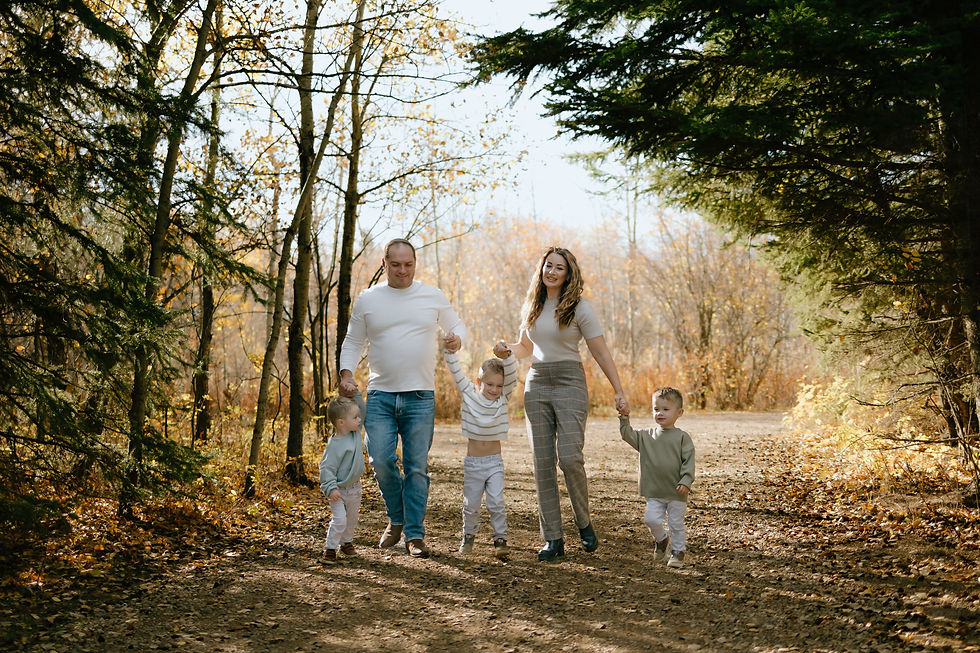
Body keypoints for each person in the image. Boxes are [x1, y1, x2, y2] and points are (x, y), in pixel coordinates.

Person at [496, 246, 629, 562]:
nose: (552, 272)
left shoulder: (580, 308)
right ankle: (553, 538)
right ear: (541, 270)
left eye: (559, 268)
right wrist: (507, 349)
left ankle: (583, 521)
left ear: (568, 274)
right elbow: (526, 347)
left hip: (570, 381)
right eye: (548, 266)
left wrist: (619, 390)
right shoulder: (533, 305)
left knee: (569, 457)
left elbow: (600, 351)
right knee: (542, 463)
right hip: (537, 383)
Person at [338, 238, 466, 558]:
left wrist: (456, 339)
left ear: (415, 263)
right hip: (380, 395)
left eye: (408, 264)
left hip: (420, 396)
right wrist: (346, 373)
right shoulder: (369, 299)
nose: (402, 270)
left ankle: (414, 535)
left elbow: (457, 326)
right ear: (384, 264)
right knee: (379, 459)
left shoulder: (432, 296)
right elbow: (353, 341)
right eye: (395, 264)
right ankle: (398, 518)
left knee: (416, 466)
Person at [443, 345, 518, 560]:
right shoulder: (470, 396)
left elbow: (513, 376)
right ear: (479, 382)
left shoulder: (503, 400)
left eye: (499, 386)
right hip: (474, 463)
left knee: (496, 501)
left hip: (495, 462)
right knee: (471, 504)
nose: (494, 389)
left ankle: (500, 539)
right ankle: (468, 536)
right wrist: (449, 351)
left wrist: (508, 356)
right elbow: (456, 371)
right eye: (489, 384)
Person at [618, 386, 695, 569]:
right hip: (654, 490)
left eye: (665, 409)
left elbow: (688, 462)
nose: (660, 413)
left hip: (676, 491)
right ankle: (661, 540)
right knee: (651, 519)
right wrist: (624, 417)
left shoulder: (682, 438)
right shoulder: (646, 436)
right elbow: (626, 434)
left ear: (679, 412)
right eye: (656, 409)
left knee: (676, 524)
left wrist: (685, 481)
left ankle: (678, 552)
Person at [318, 392, 367, 562]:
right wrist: (330, 488)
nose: (359, 419)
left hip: (354, 487)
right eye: (355, 417)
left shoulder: (354, 432)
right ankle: (330, 549)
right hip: (337, 490)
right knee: (339, 520)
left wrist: (356, 393)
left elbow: (362, 409)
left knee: (351, 519)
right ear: (341, 422)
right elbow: (326, 468)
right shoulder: (334, 445)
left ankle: (346, 543)